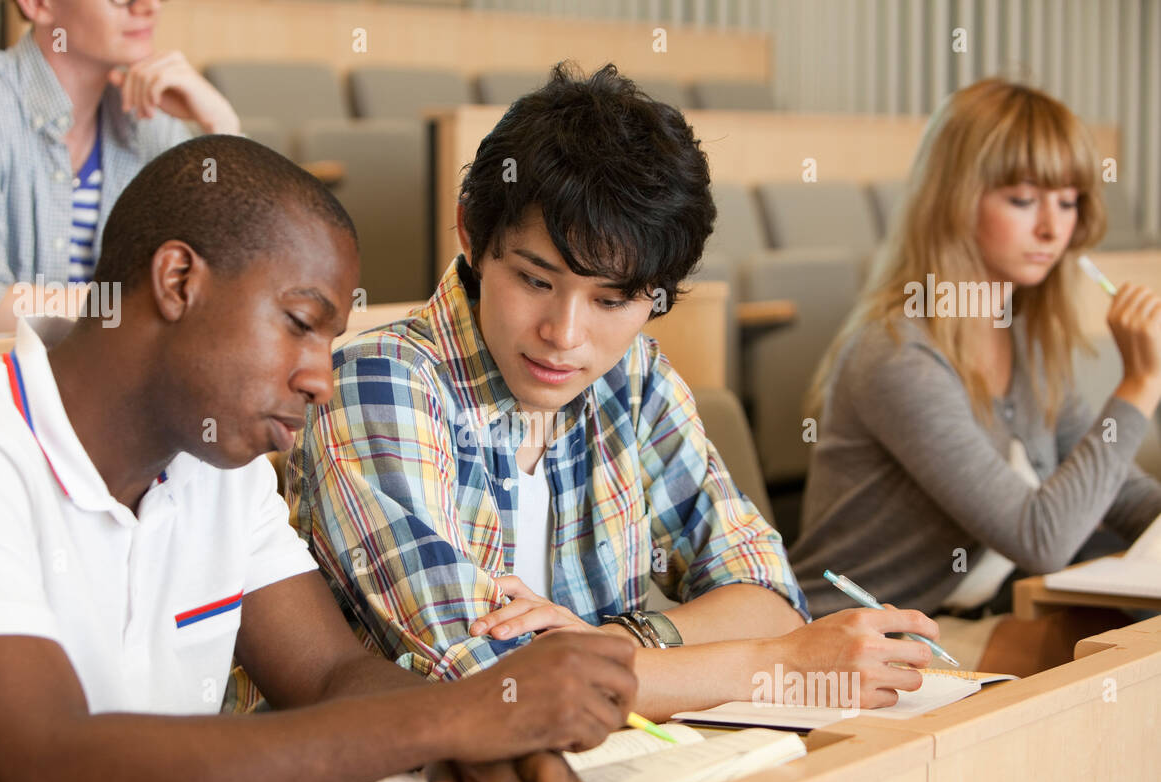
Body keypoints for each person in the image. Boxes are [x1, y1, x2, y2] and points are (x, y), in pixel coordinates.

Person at [0, 135, 639, 782]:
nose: (320, 377)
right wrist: (456, 716)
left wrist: (490, 735)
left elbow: (333, 673)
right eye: (301, 324)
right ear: (177, 283)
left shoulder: (221, 468)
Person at [289, 63, 936, 722]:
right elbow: (495, 687)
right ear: (471, 235)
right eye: (536, 280)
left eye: (612, 299)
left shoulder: (634, 379)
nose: (564, 335)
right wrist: (773, 666)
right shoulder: (378, 383)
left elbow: (767, 592)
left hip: (602, 765)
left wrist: (615, 644)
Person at [789, 77, 1161, 674]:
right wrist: (1140, 385)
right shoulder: (896, 354)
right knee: (1101, 661)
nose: (1053, 228)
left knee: (1121, 638)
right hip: (862, 634)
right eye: (1023, 199)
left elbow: (1118, 491)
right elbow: (1040, 537)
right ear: (955, 201)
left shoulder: (1026, 337)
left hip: (959, 620)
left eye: (1067, 202)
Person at [0, 0, 240, 338]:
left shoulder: (148, 122)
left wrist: (222, 126)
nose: (148, 6)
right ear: (38, 4)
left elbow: (233, 278)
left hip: (99, 396)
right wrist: (137, 307)